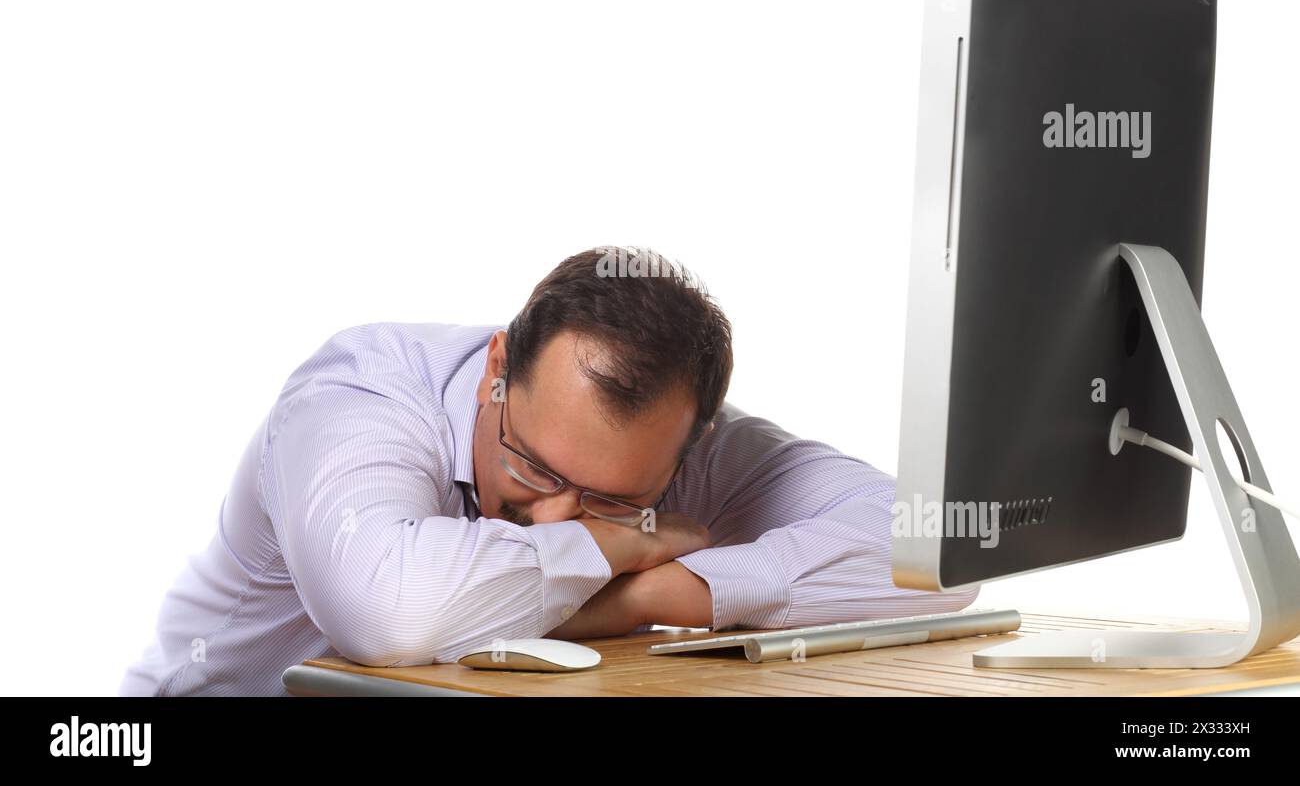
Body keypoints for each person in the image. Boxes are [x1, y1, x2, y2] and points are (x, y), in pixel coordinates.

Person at [120, 246, 978, 695]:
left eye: (612, 498)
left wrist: (664, 595)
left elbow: (940, 545)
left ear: (691, 444)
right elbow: (394, 615)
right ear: (499, 368)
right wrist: (616, 546)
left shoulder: (690, 443)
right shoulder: (357, 397)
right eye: (530, 465)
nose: (560, 517)